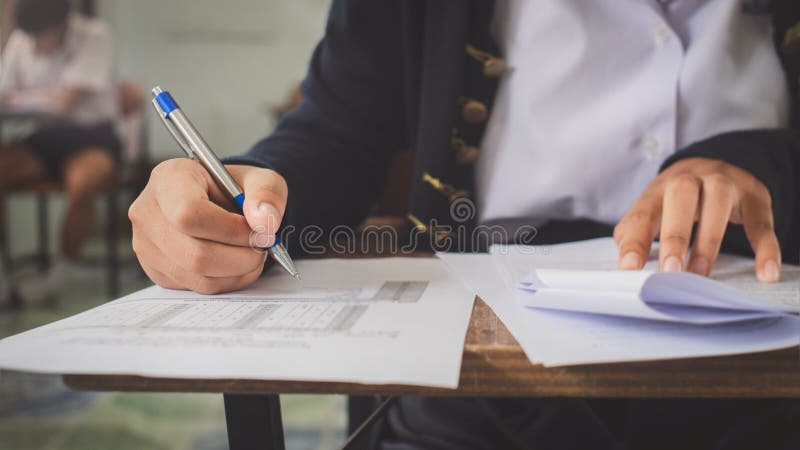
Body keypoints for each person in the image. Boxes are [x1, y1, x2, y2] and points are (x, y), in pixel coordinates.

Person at [129, 0, 800, 448]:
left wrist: (759, 164)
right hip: (480, 372)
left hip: (766, 363)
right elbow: (340, 128)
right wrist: (243, 190)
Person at [0, 0, 120, 305]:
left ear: (63, 25)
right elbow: (4, 97)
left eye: (42, 36)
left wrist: (23, 99)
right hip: (45, 136)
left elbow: (69, 101)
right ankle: (3, 275)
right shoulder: (22, 38)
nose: (34, 45)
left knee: (83, 185)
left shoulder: (95, 34)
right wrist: (48, 98)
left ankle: (55, 277)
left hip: (93, 136)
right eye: (30, 36)